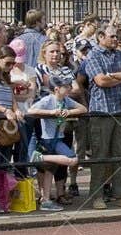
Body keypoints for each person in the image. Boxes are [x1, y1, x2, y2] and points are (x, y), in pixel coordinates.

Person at [78, 23, 121, 209]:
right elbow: (100, 81)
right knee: (100, 155)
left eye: (117, 37)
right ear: (101, 37)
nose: (116, 40)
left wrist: (113, 75)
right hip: (101, 111)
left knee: (120, 154)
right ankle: (96, 196)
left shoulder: (120, 54)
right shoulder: (93, 55)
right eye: (112, 37)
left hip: (120, 110)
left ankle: (119, 194)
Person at [26, 73, 84, 213]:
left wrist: (68, 113)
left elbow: (83, 109)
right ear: (57, 88)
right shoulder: (47, 100)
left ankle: (46, 200)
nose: (70, 88)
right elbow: (30, 110)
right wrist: (51, 112)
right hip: (48, 139)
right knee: (72, 159)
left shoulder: (66, 100)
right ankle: (39, 158)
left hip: (58, 137)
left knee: (50, 170)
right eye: (66, 86)